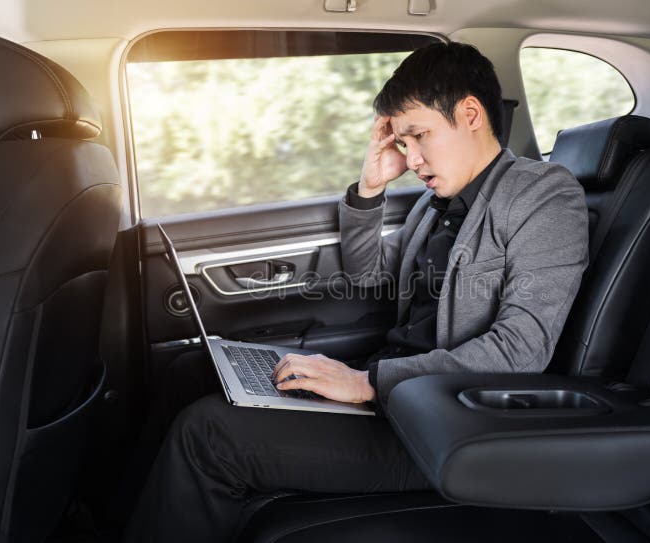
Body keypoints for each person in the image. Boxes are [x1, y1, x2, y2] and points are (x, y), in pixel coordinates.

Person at [124, 41, 588, 542]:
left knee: (208, 434)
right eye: (402, 144)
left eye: (418, 136)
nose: (411, 158)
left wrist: (368, 383)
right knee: (189, 371)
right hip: (394, 394)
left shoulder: (544, 194)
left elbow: (521, 351)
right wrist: (370, 187)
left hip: (444, 424)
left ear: (470, 113)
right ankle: (113, 523)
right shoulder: (435, 205)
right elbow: (367, 274)